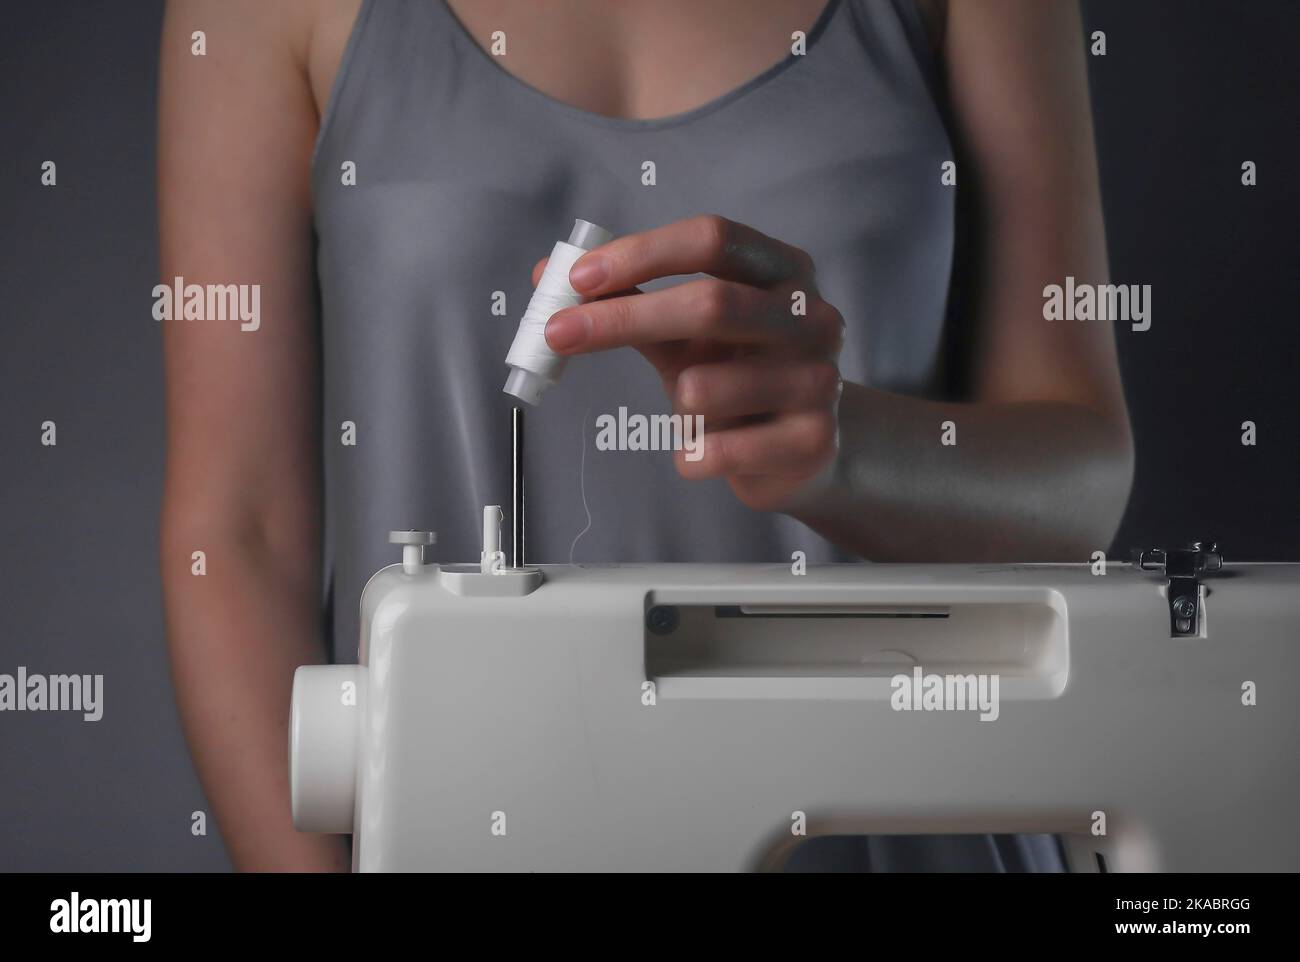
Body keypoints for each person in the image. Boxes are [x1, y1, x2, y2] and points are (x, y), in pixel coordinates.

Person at [158, 0, 1133, 872]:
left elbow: (1083, 489)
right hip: (466, 829)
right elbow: (237, 536)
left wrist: (847, 451)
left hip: (903, 829)